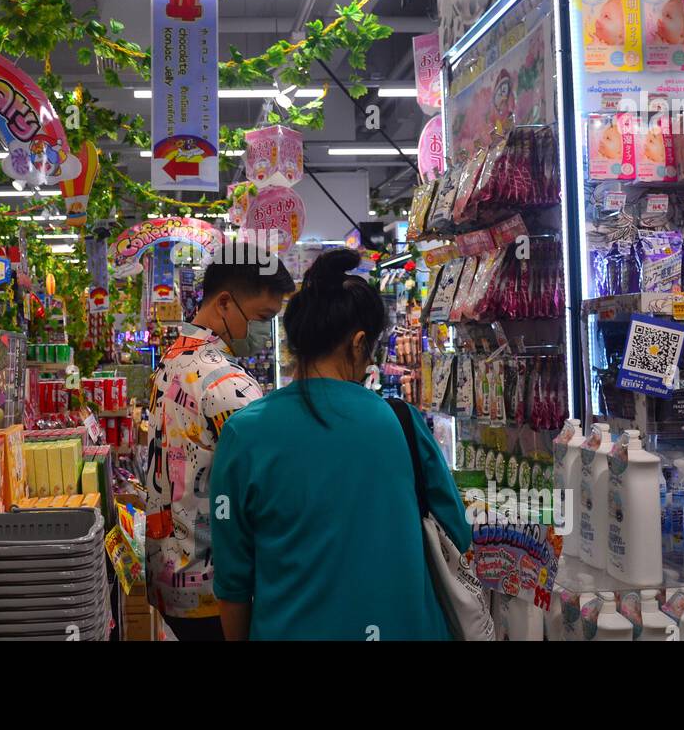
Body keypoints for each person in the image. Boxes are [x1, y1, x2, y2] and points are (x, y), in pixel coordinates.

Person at [210, 248, 470, 641]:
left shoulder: (243, 434)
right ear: (358, 342)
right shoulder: (400, 422)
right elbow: (457, 534)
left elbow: (232, 586)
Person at [145, 242, 295, 642]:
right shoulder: (227, 382)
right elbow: (268, 488)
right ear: (225, 303)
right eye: (264, 318)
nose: (268, 332)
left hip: (170, 572)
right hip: (216, 588)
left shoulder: (171, 359)